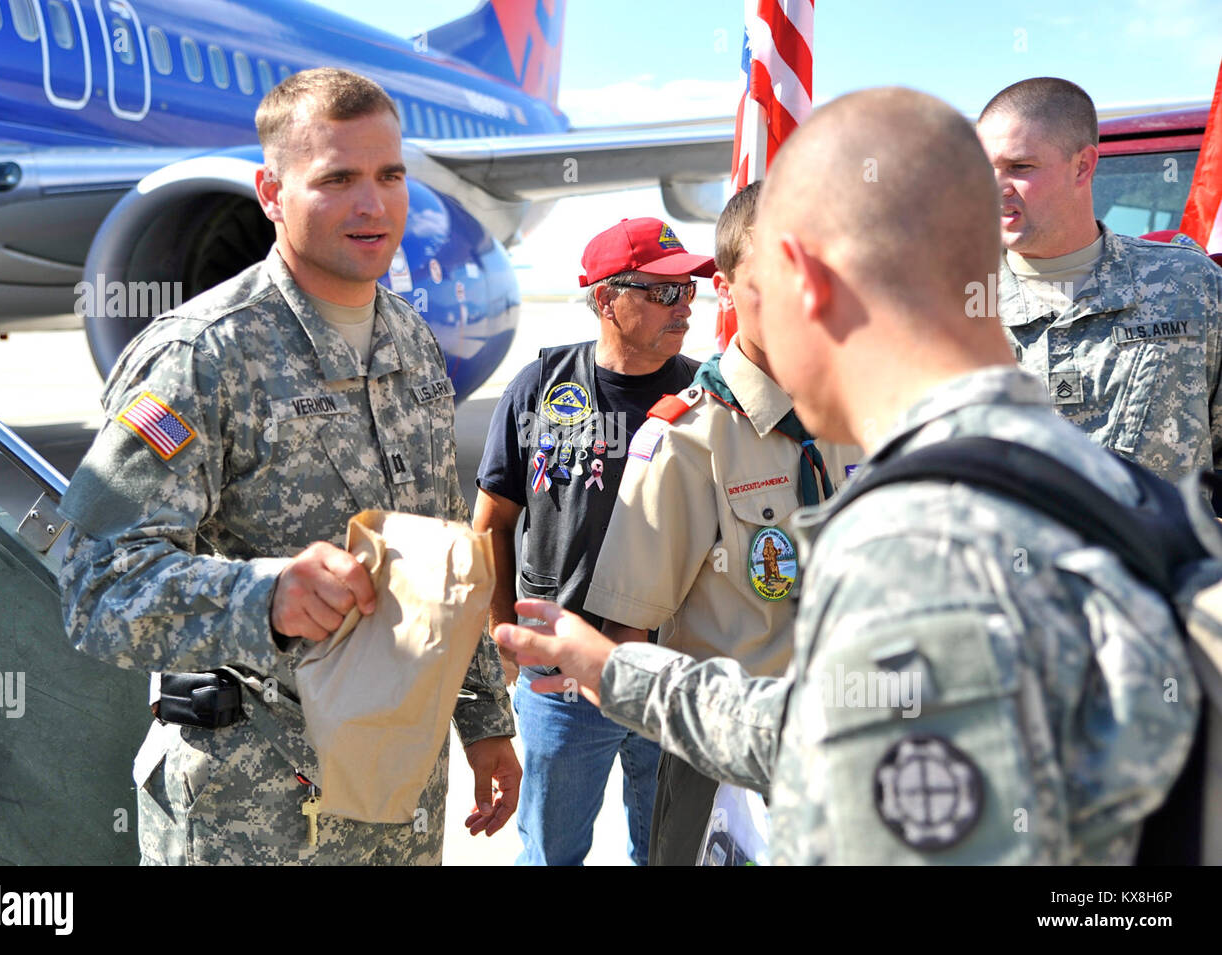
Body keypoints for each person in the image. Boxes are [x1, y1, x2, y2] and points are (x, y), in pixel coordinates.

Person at [493, 86, 1200, 864]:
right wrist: (609, 668)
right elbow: (830, 722)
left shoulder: (913, 536)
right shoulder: (1109, 483)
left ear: (802, 279)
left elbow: (846, 773)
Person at [57, 68, 519, 865]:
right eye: (337, 179)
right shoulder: (199, 357)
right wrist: (264, 595)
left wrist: (484, 720)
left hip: (397, 796)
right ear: (271, 193)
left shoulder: (411, 344)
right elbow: (96, 585)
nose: (372, 205)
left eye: (390, 176)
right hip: (253, 815)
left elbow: (448, 556)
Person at [582, 182, 858, 865]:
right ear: (728, 288)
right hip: (731, 783)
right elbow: (626, 643)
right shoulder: (686, 441)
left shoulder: (855, 417)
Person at [473, 217, 713, 865]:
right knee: (552, 853)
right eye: (663, 292)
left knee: (668, 852)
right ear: (607, 299)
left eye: (688, 290)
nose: (685, 306)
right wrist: (507, 643)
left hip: (672, 677)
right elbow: (491, 523)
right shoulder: (542, 386)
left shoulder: (707, 398)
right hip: (563, 682)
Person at [977, 76, 1222, 483]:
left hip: (1157, 547)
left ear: (1082, 166)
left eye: (1020, 167)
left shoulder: (1190, 286)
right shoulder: (954, 303)